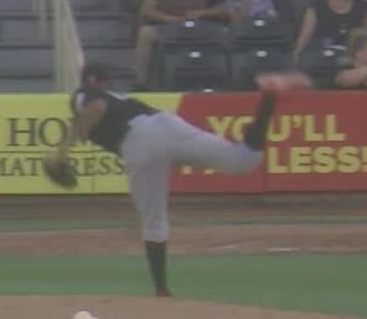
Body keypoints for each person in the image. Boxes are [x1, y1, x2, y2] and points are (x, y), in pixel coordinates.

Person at [47, 60, 291, 297]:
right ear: (102, 81)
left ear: (89, 80)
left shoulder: (81, 95)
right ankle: (268, 99)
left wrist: (62, 150)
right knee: (242, 161)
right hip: (168, 124)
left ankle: (161, 289)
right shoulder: (116, 98)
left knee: (154, 221)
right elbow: (101, 106)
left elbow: (96, 106)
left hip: (139, 140)